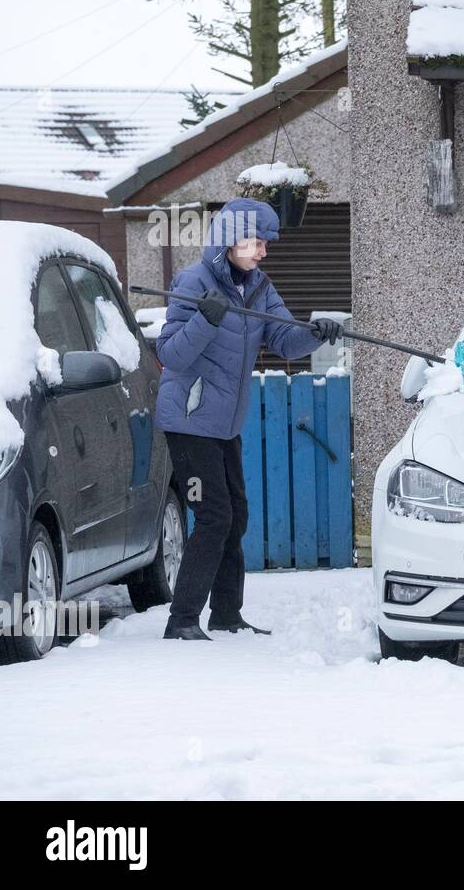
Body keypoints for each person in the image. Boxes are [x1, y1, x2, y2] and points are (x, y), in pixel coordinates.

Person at [155, 198, 345, 640]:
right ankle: (182, 619)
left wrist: (314, 332)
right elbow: (170, 354)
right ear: (229, 240)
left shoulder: (258, 288)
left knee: (236, 516)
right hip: (188, 422)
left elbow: (282, 337)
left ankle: (226, 614)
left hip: (225, 423)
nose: (262, 252)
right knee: (214, 515)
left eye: (265, 244)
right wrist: (204, 318)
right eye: (255, 242)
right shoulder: (192, 282)